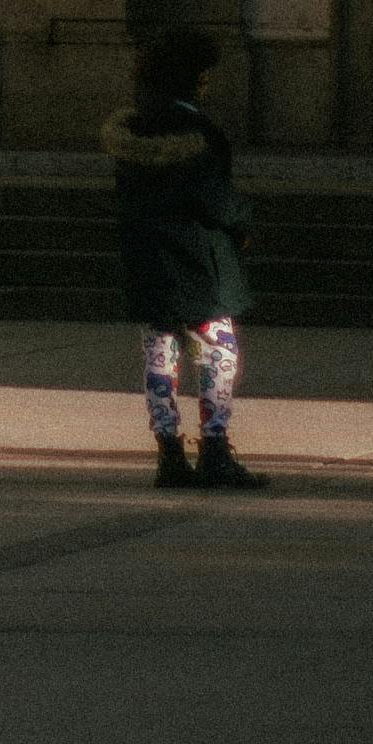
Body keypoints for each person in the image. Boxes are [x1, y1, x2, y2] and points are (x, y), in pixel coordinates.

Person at [103, 28, 269, 493]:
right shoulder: (199, 134)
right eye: (204, 75)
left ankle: (169, 454)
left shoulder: (132, 131)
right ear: (191, 79)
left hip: (149, 258)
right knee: (218, 353)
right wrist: (243, 220)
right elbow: (213, 200)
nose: (208, 82)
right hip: (199, 262)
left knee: (160, 355)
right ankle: (214, 451)